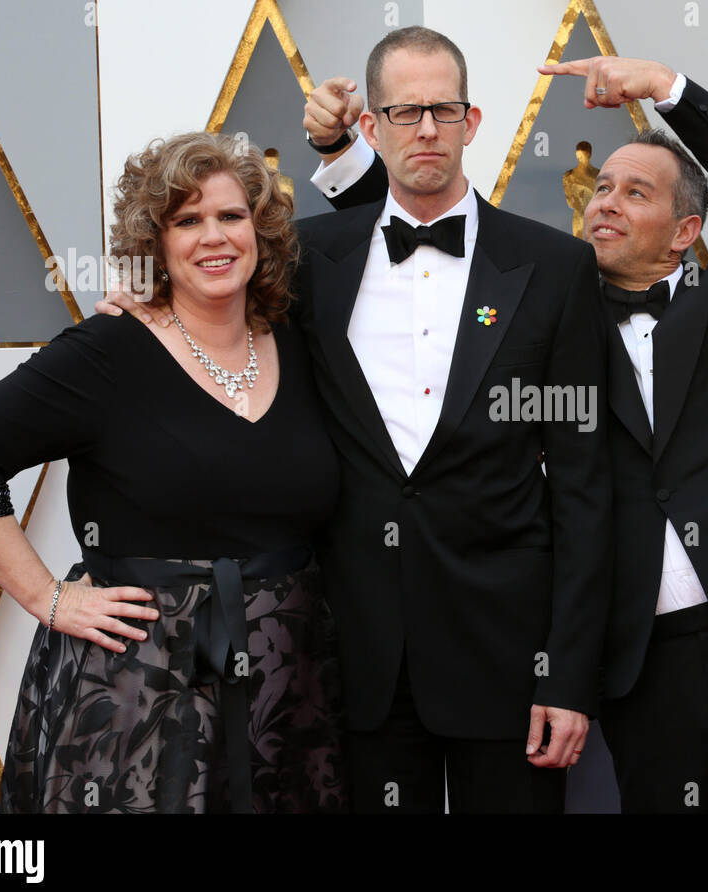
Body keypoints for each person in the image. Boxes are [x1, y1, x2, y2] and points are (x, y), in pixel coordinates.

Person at [312, 53, 708, 811]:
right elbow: (412, 237)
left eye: (636, 193)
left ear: (686, 231)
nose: (606, 203)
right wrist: (345, 152)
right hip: (641, 663)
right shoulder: (551, 308)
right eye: (601, 187)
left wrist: (665, 89)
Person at [111, 27, 612, 813]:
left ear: (473, 121)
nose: (426, 130)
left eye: (444, 110)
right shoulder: (307, 259)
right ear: (371, 128)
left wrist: (570, 672)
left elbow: (585, 486)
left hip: (510, 656)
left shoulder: (555, 266)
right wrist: (145, 306)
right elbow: (212, 295)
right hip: (352, 652)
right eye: (405, 112)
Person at [0, 132, 346, 813]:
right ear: (157, 242)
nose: (214, 236)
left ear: (260, 229)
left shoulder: (300, 337)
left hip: (290, 685)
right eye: (187, 220)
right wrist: (49, 598)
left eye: (231, 216)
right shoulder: (109, 350)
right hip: (141, 692)